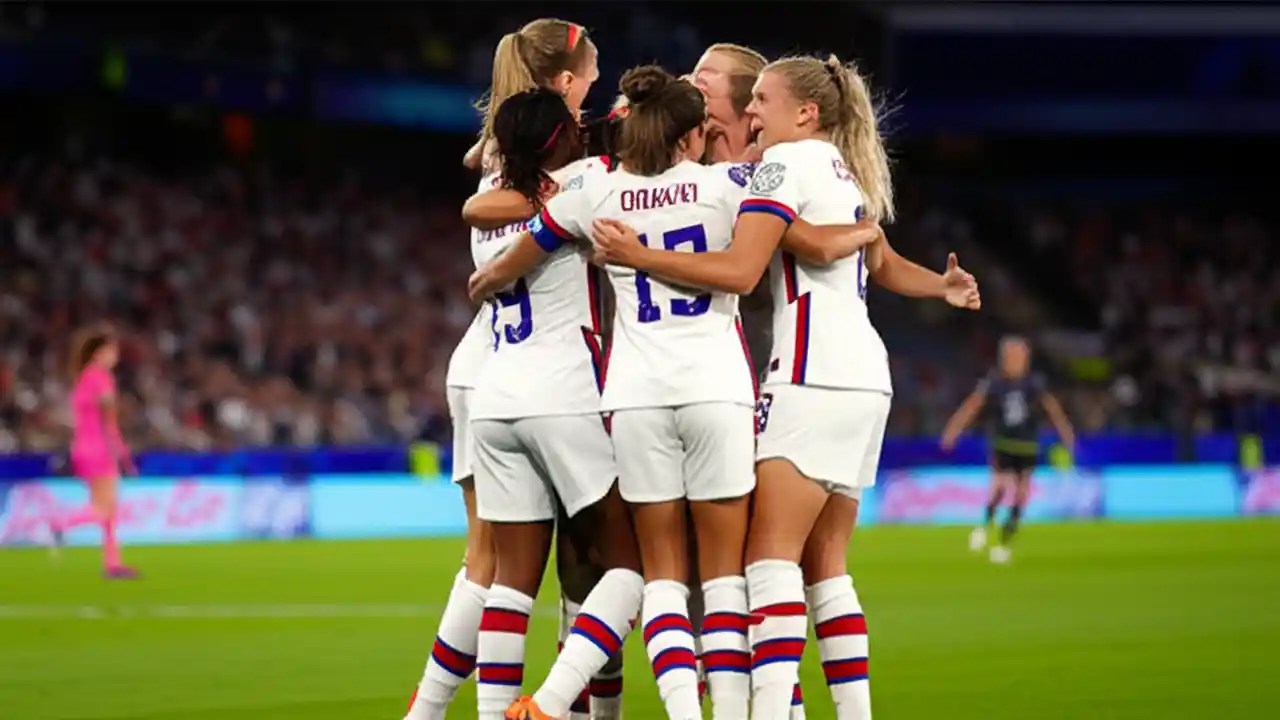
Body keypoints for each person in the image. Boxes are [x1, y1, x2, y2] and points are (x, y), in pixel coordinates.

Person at [590, 54, 981, 720]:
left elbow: (744, 270)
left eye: (761, 101)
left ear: (804, 112)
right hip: (865, 379)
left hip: (810, 374)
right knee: (825, 565)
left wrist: (637, 255)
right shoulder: (843, 169)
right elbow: (873, 258)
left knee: (766, 565)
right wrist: (942, 285)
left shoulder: (780, 166)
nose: (750, 114)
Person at [404, 19, 601, 720]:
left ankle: (442, 711)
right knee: (518, 565)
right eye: (592, 81)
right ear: (568, 83)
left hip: (487, 368)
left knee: (495, 564)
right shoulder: (571, 168)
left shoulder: (504, 152)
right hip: (526, 372)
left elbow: (478, 185)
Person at [460, 89, 643, 720]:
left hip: (496, 399)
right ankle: (553, 702)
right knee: (631, 565)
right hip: (565, 393)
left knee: (511, 583)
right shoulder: (585, 183)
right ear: (560, 138)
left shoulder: (492, 215)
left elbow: (485, 201)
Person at [940, 335, 1076, 564]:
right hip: (1003, 442)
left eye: (1019, 356)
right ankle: (984, 526)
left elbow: (1052, 409)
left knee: (1022, 495)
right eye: (1010, 356)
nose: (1014, 361)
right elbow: (973, 405)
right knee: (1000, 488)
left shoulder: (1034, 383)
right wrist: (954, 429)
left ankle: (1004, 543)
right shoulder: (995, 382)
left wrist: (1066, 434)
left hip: (1027, 444)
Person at [59, 324, 138, 579]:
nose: (115, 356)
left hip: (82, 447)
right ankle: (58, 525)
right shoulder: (101, 379)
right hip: (100, 448)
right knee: (104, 508)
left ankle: (112, 564)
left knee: (108, 509)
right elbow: (109, 421)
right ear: (98, 353)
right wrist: (124, 455)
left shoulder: (83, 378)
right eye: (111, 350)